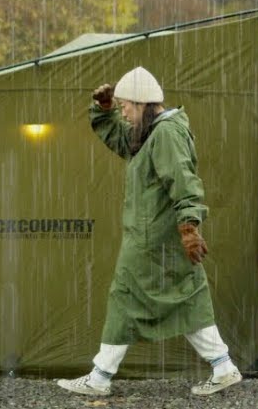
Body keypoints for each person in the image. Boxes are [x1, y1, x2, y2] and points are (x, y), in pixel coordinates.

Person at [57, 66, 243, 398]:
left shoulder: (165, 134)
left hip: (153, 239)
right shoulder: (150, 132)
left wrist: (189, 226)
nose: (124, 113)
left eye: (125, 106)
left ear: (142, 103)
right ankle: (223, 367)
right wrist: (104, 112)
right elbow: (122, 140)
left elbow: (183, 180)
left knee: (124, 298)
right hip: (162, 237)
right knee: (187, 299)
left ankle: (100, 378)